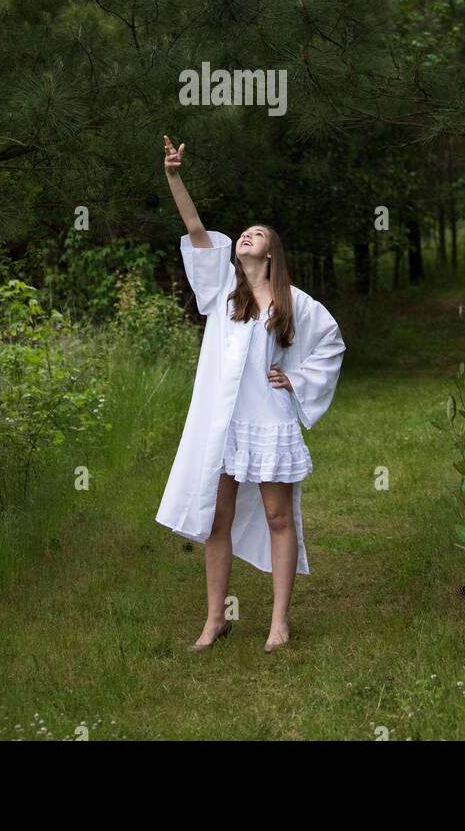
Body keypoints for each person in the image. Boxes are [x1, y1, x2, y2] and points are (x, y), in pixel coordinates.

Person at [155, 134, 345, 653]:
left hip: (269, 423)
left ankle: (279, 623)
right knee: (216, 518)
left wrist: (296, 381)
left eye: (256, 233)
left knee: (279, 517)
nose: (245, 236)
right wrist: (175, 176)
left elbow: (331, 344)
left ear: (271, 251)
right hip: (224, 425)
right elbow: (195, 228)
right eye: (242, 232)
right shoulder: (221, 292)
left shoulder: (294, 303)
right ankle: (215, 619)